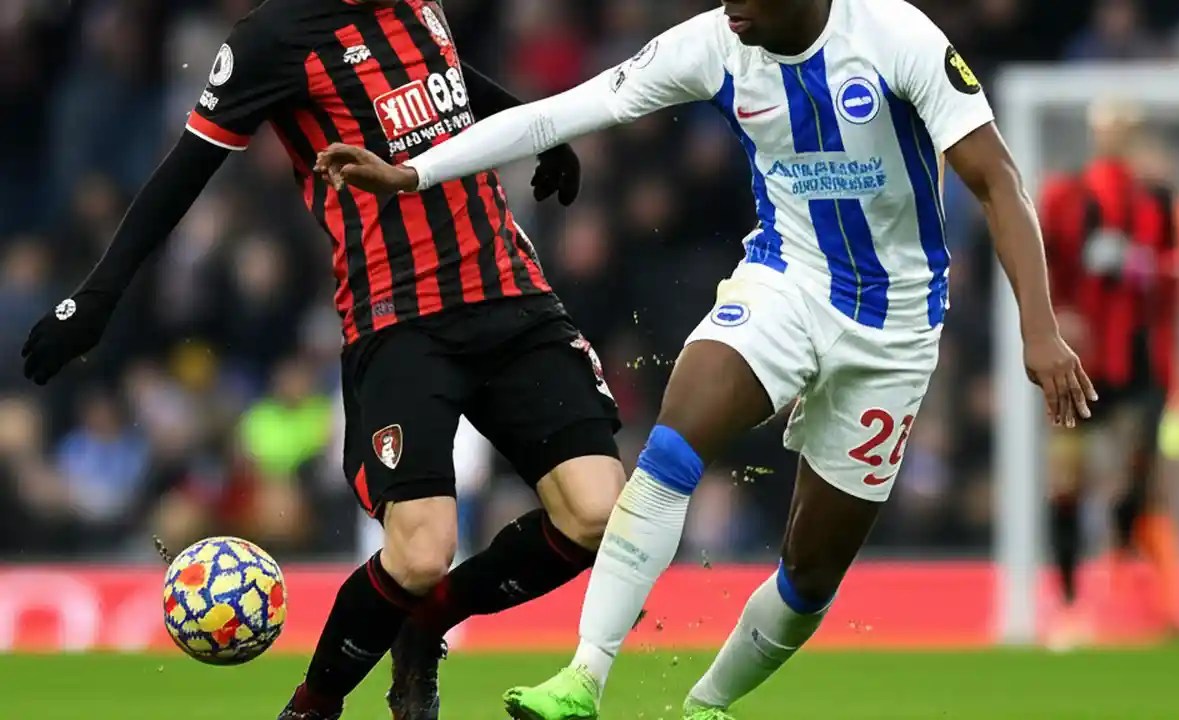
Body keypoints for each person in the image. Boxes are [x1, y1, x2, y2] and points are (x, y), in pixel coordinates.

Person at [316, 0, 1094, 718]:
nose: (729, 3)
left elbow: (997, 181)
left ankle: (707, 705)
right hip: (787, 282)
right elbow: (561, 113)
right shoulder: (716, 44)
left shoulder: (894, 35)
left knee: (811, 575)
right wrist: (415, 172)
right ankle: (584, 676)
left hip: (895, 330)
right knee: (671, 445)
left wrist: (1039, 328)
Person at [19, 1, 627, 719]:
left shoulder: (417, 5)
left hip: (510, 295)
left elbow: (445, 80)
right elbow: (183, 174)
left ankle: (430, 621)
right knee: (419, 552)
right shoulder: (272, 40)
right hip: (400, 319)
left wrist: (536, 126)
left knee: (598, 514)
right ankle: (314, 704)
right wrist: (96, 299)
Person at [1039, 103, 1179, 648]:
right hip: (1078, 367)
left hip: (1150, 369)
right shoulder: (1063, 198)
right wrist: (1053, 319)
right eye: (1108, 130)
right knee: (1068, 482)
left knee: (1144, 483)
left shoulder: (1169, 206)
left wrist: (1147, 267)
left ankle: (1142, 587)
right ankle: (1074, 604)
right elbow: (1038, 262)